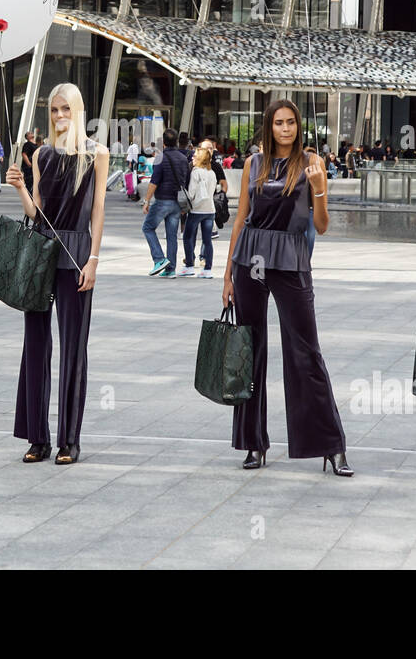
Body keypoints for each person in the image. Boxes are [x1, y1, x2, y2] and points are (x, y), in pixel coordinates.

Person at [222, 99, 350, 476]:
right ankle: (253, 443)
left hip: (292, 260)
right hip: (251, 260)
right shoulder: (253, 164)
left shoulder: (312, 162)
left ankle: (331, 446)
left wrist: (319, 188)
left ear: (299, 126)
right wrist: (228, 274)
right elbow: (241, 218)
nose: (285, 129)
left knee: (306, 352)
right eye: (278, 123)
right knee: (250, 350)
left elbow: (322, 226)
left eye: (291, 122)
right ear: (269, 126)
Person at [6, 83, 109, 465]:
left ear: (79, 111)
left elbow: (97, 210)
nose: (60, 116)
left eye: (66, 109)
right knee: (35, 346)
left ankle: (69, 440)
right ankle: (38, 438)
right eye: (54, 110)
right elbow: (38, 213)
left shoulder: (97, 154)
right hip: (42, 253)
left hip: (78, 254)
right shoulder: (41, 155)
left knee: (72, 348)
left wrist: (94, 258)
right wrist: (19, 188)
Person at [141, 128, 189, 278]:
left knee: (148, 227)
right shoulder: (183, 158)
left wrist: (146, 200)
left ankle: (159, 259)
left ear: (164, 142)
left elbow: (154, 182)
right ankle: (171, 269)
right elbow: (186, 181)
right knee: (172, 236)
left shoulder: (160, 158)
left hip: (163, 200)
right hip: (177, 202)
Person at [179, 146, 218, 277]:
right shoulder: (211, 173)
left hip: (196, 210)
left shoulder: (196, 172)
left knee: (188, 237)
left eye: (195, 156)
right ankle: (207, 269)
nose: (192, 158)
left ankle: (189, 265)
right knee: (207, 240)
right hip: (210, 209)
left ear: (200, 158)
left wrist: (184, 206)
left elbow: (191, 193)